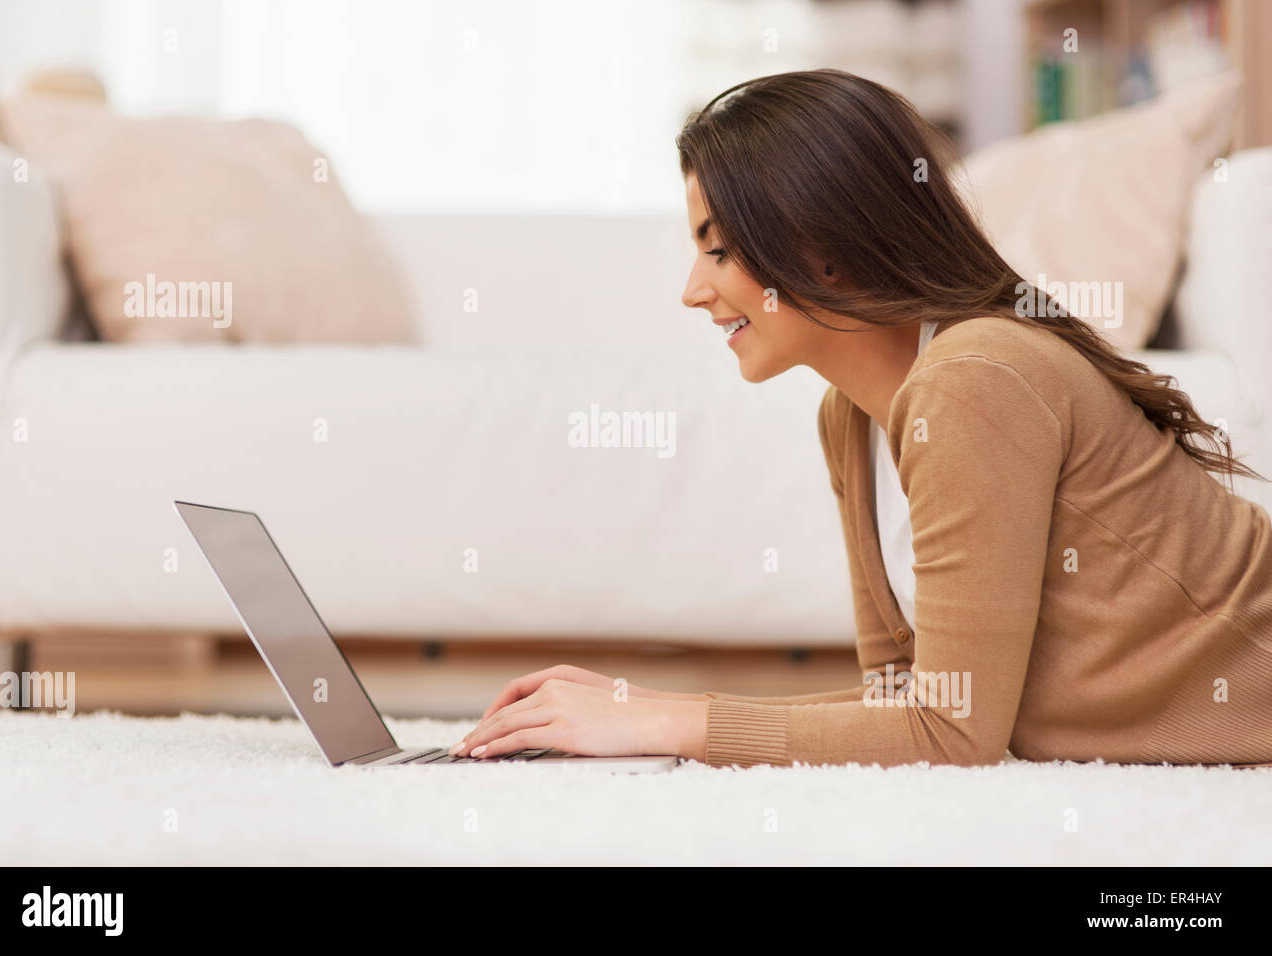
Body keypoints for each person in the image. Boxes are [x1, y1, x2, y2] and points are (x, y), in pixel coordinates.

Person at [451, 69, 1272, 769]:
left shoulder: (974, 378)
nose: (693, 291)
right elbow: (905, 701)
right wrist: (646, 708)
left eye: (719, 249)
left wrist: (668, 721)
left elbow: (951, 734)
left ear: (823, 245)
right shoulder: (848, 418)